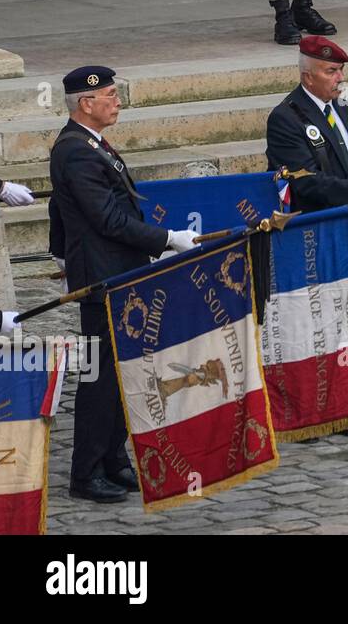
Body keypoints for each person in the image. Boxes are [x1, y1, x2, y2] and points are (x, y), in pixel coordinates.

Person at [48, 66, 200, 503]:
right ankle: (86, 472)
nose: (117, 102)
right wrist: (168, 239)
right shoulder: (76, 150)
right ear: (86, 103)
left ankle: (113, 459)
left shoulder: (90, 144)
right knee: (100, 377)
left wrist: (58, 248)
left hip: (120, 272)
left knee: (120, 370)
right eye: (111, 95)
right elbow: (107, 218)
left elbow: (63, 208)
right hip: (103, 277)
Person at [264, 35, 348, 437]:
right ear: (308, 75)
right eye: (330, 71)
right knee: (315, 328)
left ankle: (346, 405)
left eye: (340, 71)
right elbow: (306, 183)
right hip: (315, 236)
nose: (338, 79)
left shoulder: (347, 114)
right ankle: (313, 411)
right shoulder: (286, 118)